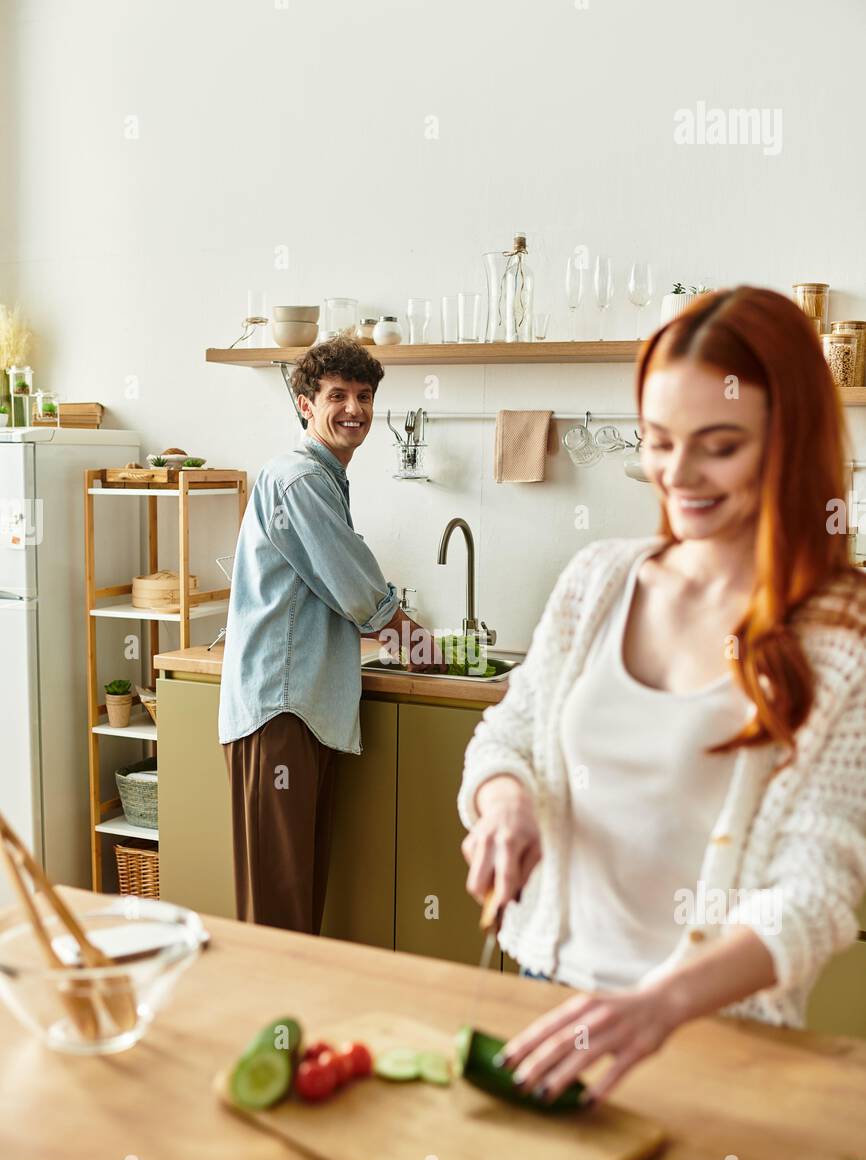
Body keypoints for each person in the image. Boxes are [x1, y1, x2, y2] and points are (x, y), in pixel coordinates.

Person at [459, 286, 866, 1105]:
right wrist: (505, 805)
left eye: (719, 446)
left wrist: (659, 1006)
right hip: (547, 994)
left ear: (790, 444)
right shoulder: (599, 580)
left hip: (716, 1036)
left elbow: (820, 890)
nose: (679, 475)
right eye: (658, 441)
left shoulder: (842, 634)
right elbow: (510, 733)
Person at [219, 334, 441, 935]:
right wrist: (423, 648)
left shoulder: (324, 479)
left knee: (297, 897)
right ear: (304, 403)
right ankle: (270, 1028)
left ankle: (296, 1028)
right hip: (281, 710)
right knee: (278, 909)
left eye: (365, 396)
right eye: (337, 394)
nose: (355, 409)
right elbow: (356, 588)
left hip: (303, 709)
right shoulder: (299, 479)